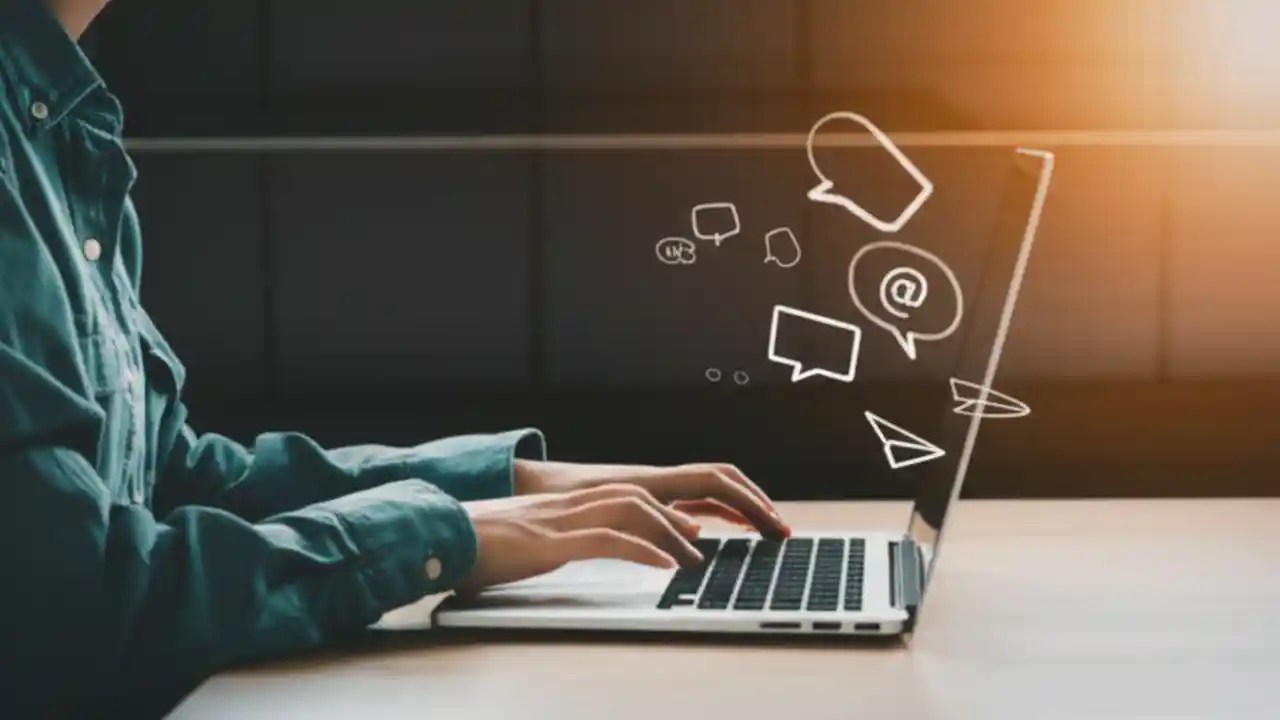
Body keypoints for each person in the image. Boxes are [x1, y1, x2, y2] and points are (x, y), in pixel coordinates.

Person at [0, 0, 792, 715]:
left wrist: (512, 488)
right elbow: (77, 610)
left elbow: (169, 483)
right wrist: (433, 534)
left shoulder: (55, 122)